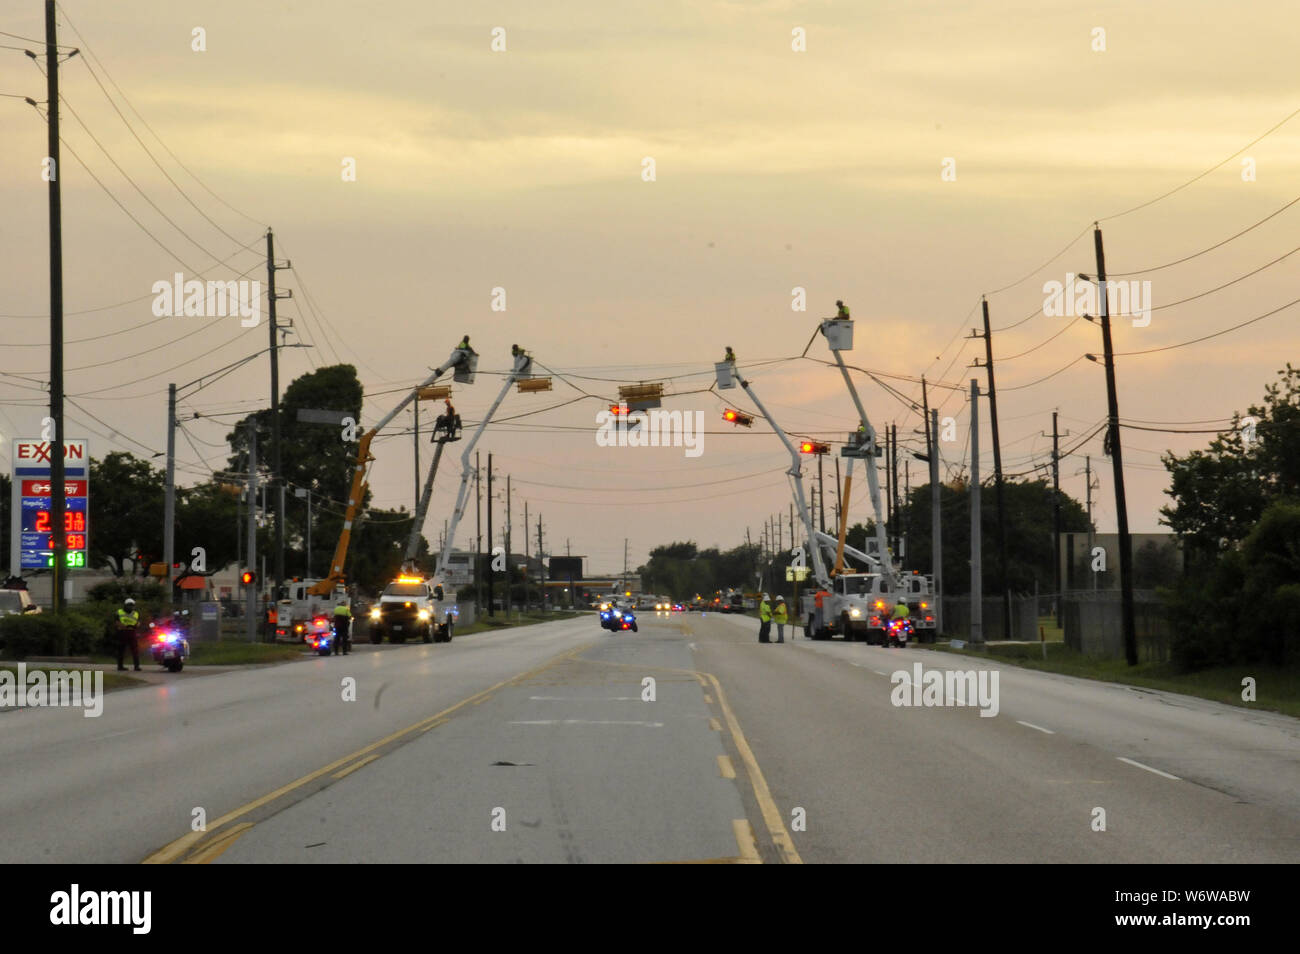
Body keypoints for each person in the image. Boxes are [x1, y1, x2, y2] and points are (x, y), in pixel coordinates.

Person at [114, 598, 141, 672]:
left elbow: (138, 622)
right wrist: (124, 626)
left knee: (135, 650)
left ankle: (137, 666)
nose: (130, 607)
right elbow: (116, 622)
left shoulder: (136, 613)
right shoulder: (119, 612)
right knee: (121, 650)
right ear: (125, 605)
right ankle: (120, 666)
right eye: (129, 605)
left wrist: (136, 625)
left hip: (132, 632)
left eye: (132, 605)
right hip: (122, 632)